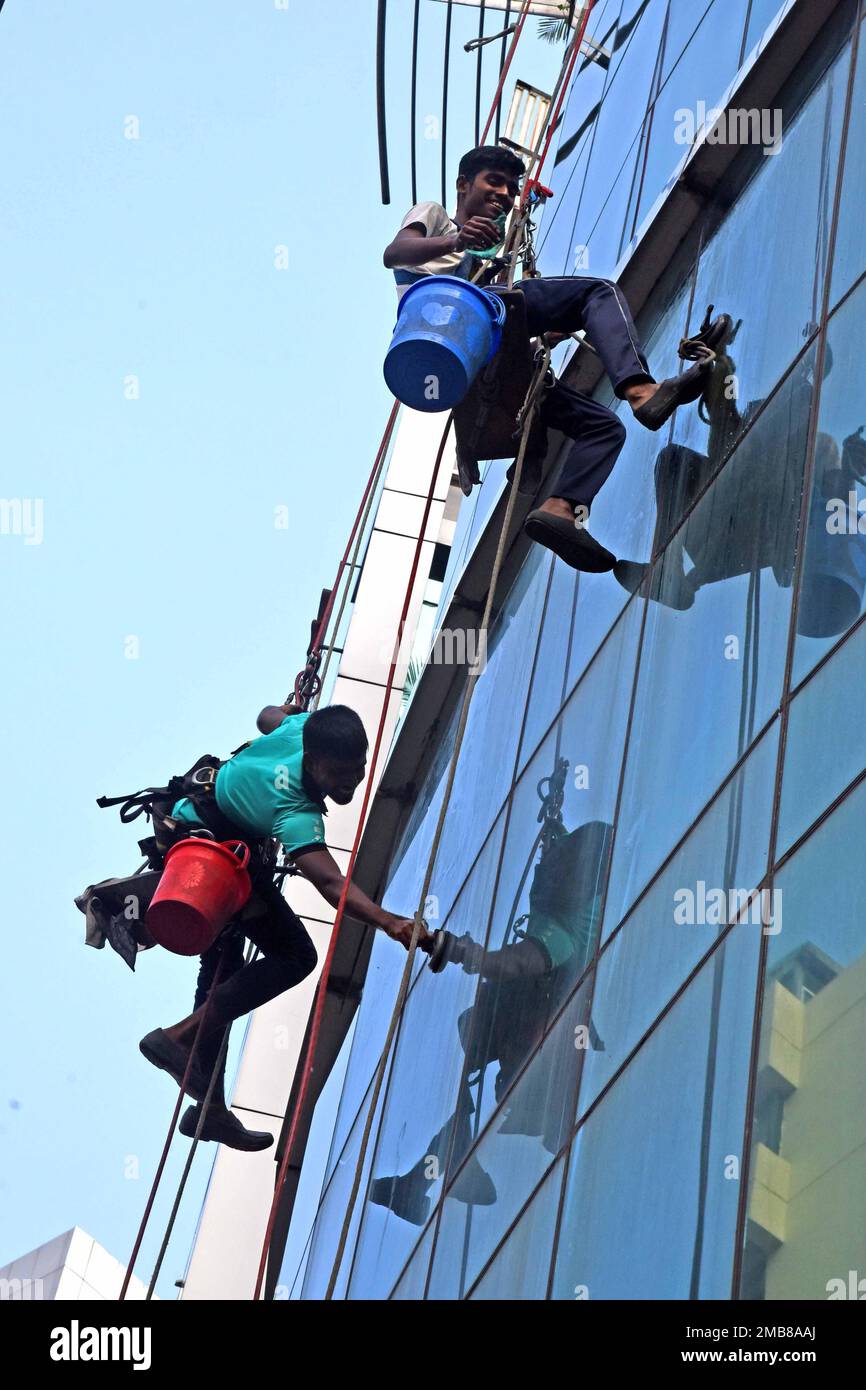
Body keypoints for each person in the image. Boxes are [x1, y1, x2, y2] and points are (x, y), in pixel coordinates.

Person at [383, 145, 726, 573]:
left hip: (484, 347)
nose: (504, 194)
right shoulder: (434, 215)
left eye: (511, 189)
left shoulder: (496, 259)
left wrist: (550, 335)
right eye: (494, 182)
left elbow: (508, 339)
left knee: (603, 428)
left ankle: (561, 509)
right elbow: (394, 254)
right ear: (463, 184)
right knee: (597, 293)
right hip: (452, 317)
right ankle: (641, 390)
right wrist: (458, 238)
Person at [139, 701, 429, 1151]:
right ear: (313, 763)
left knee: (225, 967)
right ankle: (179, 1037)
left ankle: (209, 1106)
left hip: (198, 831)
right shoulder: (295, 809)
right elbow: (331, 884)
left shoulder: (300, 731)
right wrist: (390, 922)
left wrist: (289, 709)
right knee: (296, 956)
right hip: (215, 855)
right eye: (339, 773)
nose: (350, 781)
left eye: (358, 767)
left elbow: (267, 717)